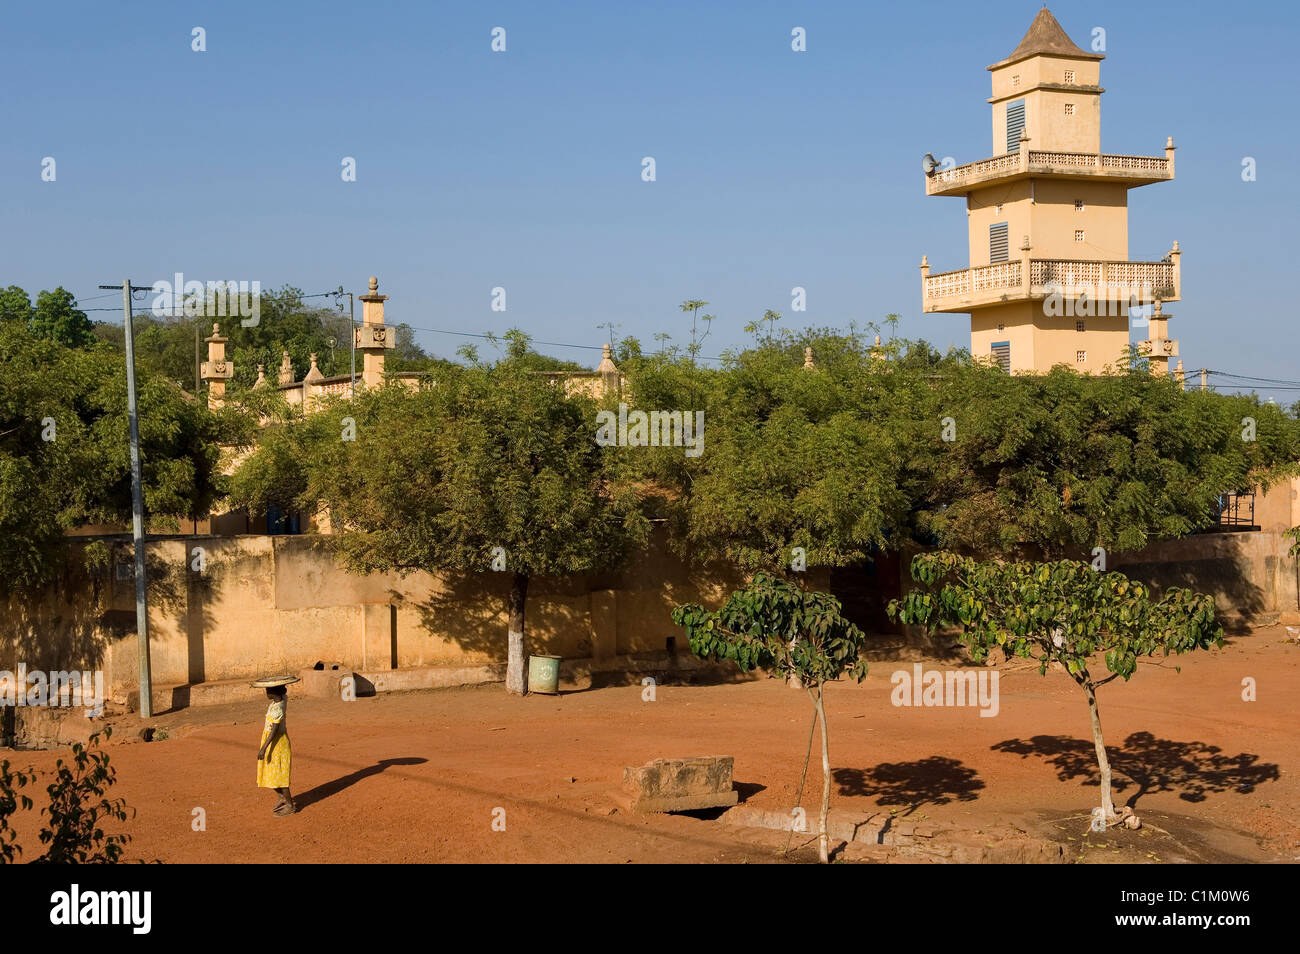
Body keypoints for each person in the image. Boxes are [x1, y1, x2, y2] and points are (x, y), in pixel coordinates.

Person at [256, 684, 295, 816]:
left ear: (273, 693)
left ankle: (290, 806)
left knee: (280, 775)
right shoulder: (282, 700)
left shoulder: (278, 709)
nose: (266, 693)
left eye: (268, 690)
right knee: (269, 771)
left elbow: (274, 731)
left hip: (277, 744)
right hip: (274, 743)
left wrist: (263, 748)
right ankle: (282, 797)